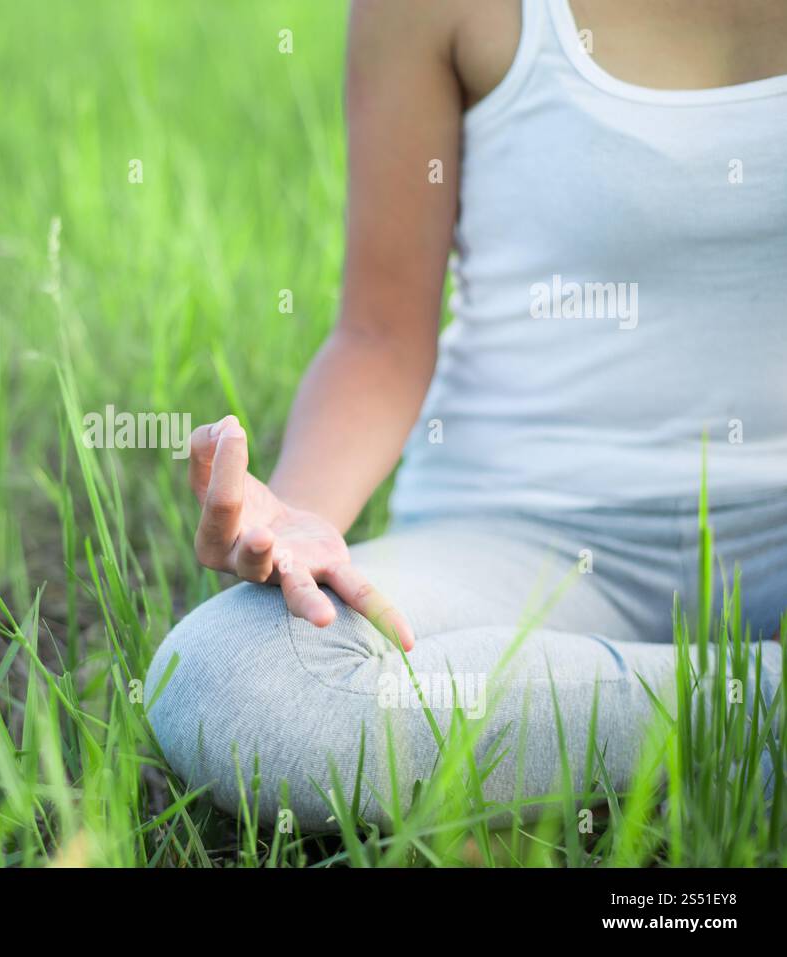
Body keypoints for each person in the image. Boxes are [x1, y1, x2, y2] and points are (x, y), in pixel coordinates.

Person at [145, 0, 787, 833]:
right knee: (237, 678)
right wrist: (299, 522)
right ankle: (752, 708)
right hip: (520, 537)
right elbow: (379, 336)